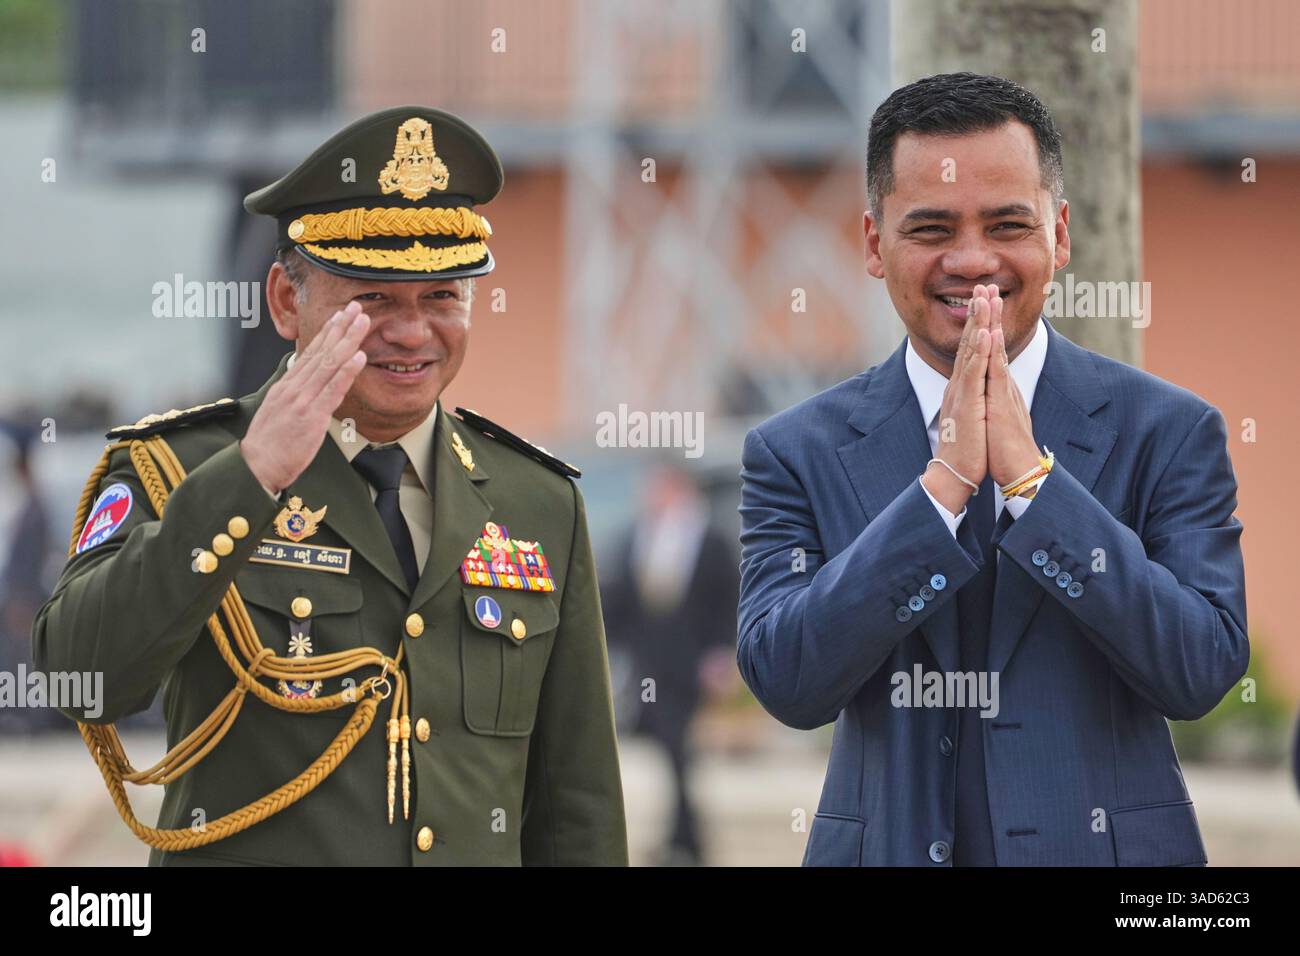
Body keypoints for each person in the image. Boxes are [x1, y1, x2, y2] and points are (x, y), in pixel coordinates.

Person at [32, 105, 628, 866]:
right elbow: (83, 680)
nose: (412, 333)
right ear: (288, 302)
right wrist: (250, 478)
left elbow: (578, 807)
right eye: (373, 298)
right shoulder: (178, 467)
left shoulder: (536, 501)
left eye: (442, 297)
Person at [736, 73, 1248, 866]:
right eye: (932, 228)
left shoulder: (1169, 431)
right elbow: (788, 682)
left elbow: (1199, 670)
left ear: (1060, 235)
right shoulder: (795, 449)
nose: (973, 261)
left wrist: (1033, 484)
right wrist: (940, 491)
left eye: (1009, 224)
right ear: (875, 244)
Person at [601, 461, 739, 865]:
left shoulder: (710, 541)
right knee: (670, 751)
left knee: (675, 748)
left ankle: (685, 840)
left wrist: (721, 655)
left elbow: (725, 602)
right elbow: (621, 602)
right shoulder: (637, 538)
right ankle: (685, 839)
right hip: (648, 666)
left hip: (688, 666)